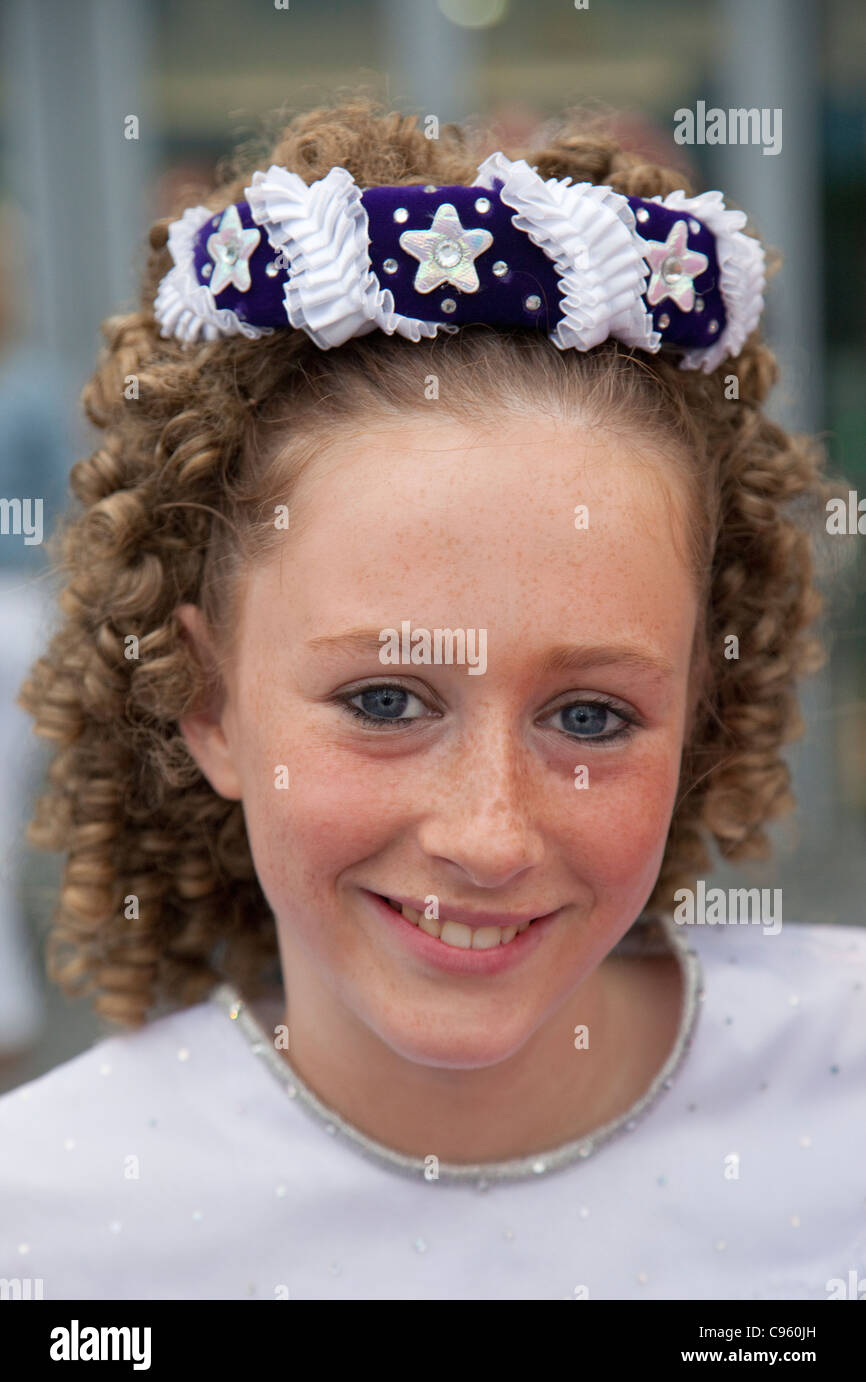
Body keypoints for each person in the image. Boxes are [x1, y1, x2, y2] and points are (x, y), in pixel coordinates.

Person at [0, 96, 862, 1302]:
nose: (488, 835)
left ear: (703, 706)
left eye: (589, 717)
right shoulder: (48, 1229)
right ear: (205, 701)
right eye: (386, 699)